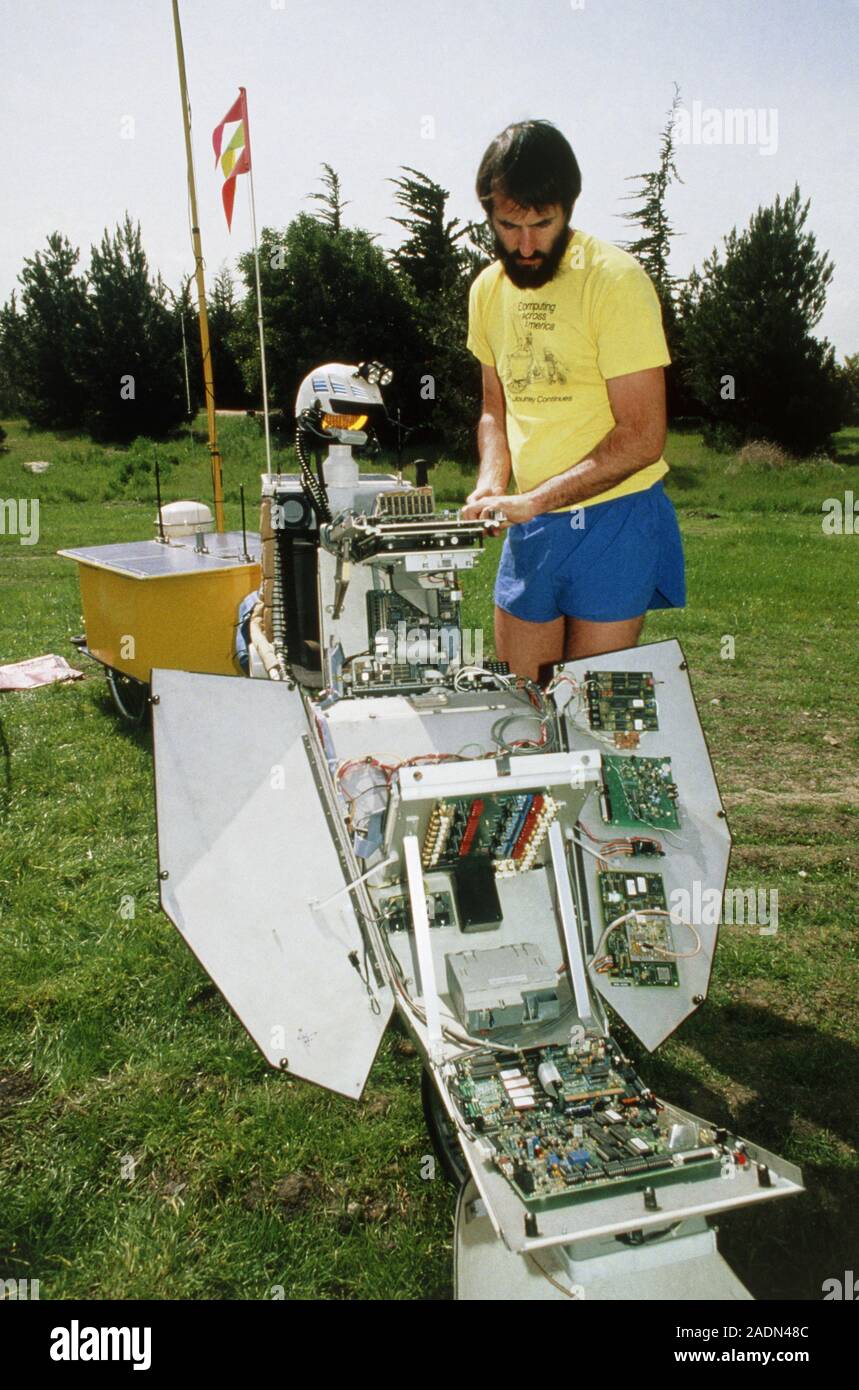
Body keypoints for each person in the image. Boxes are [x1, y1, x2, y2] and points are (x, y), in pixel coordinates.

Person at [461, 120, 686, 683]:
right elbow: (496, 406)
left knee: (594, 712)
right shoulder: (488, 288)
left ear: (569, 207)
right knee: (520, 703)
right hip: (531, 524)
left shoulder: (615, 280)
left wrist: (534, 499)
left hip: (617, 516)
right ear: (489, 212)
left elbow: (641, 436)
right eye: (509, 225)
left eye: (543, 223)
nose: (527, 244)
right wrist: (493, 483)